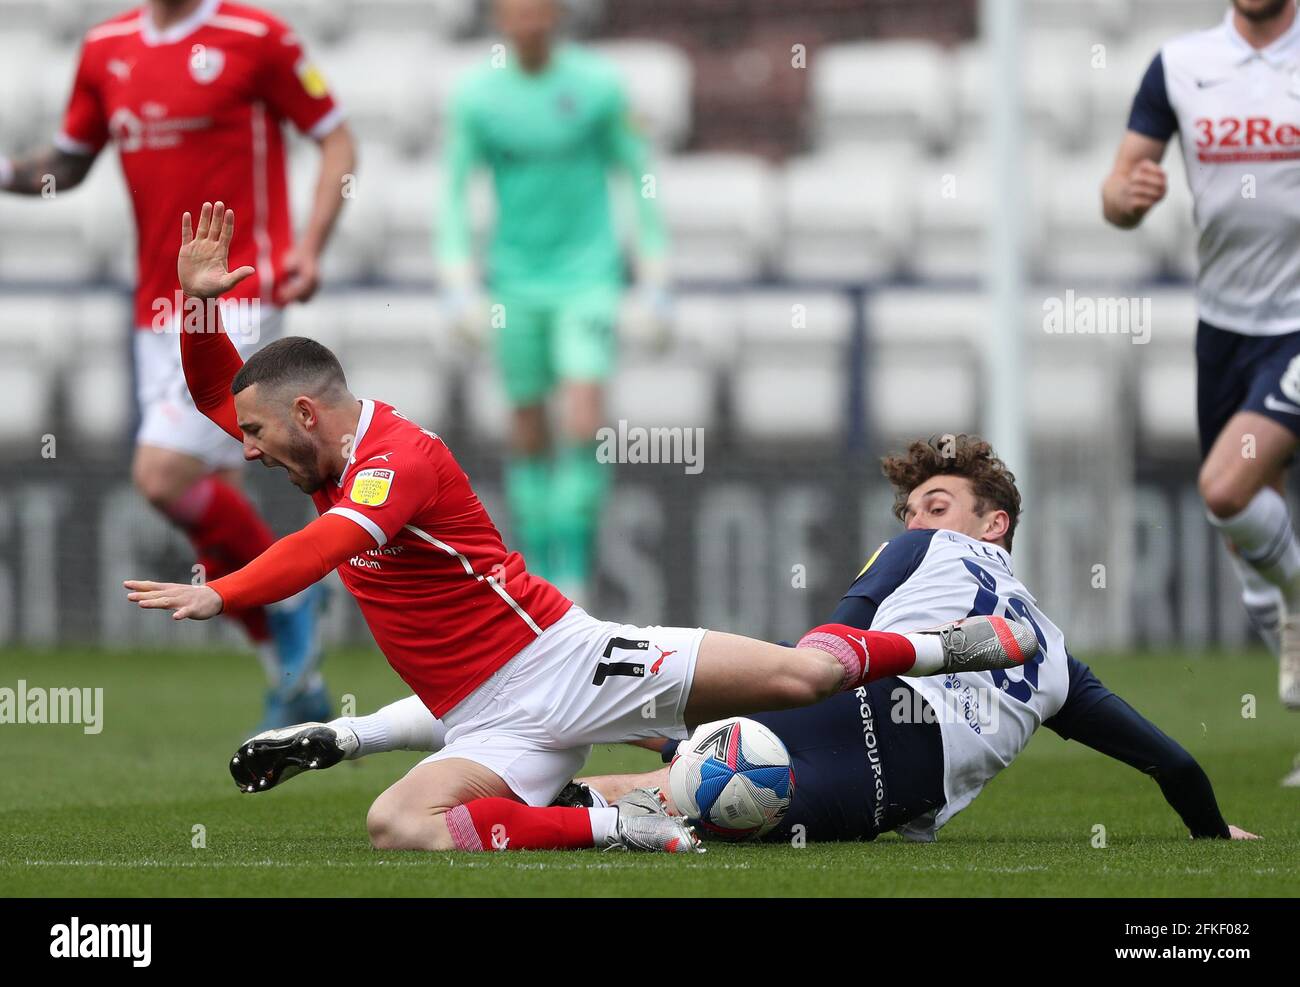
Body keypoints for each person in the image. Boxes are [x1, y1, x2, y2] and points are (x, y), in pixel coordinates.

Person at [123, 202, 1033, 854]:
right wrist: (198, 305)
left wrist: (224, 589)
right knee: (398, 825)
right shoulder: (317, 449)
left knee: (800, 675)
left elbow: (326, 549)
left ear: (311, 417)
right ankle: (620, 823)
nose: (244, 450)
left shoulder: (398, 459)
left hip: (566, 662)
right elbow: (217, 391)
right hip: (483, 716)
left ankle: (950, 647)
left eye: (258, 434)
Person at [240, 436, 1257, 844]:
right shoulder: (1057, 652)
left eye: (936, 501)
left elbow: (830, 644)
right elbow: (1162, 758)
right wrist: (1214, 837)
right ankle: (391, 752)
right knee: (627, 757)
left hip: (839, 728)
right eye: (910, 504)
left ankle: (367, 741)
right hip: (874, 794)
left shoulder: (926, 556)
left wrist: (807, 666)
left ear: (994, 520)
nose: (913, 515)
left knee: (617, 746)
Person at [0, 0, 357, 728]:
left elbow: (337, 141)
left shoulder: (257, 38)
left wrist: (311, 244)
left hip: (240, 291)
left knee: (160, 474)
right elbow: (66, 165)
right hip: (155, 309)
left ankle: (293, 595)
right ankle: (292, 679)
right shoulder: (107, 48)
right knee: (211, 520)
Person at [1101, 0, 1300, 783]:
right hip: (1225, 330)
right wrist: (1128, 195)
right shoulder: (1180, 65)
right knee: (1249, 522)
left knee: (1224, 486)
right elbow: (1115, 190)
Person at [438, 0, 669, 603]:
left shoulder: (597, 87)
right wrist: (459, 285)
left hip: (588, 281)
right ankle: (537, 569)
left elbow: (641, 178)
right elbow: (455, 195)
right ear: (499, 17)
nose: (530, 16)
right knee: (527, 428)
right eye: (517, 7)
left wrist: (656, 282)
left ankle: (571, 574)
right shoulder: (479, 98)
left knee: (584, 418)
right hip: (514, 284)